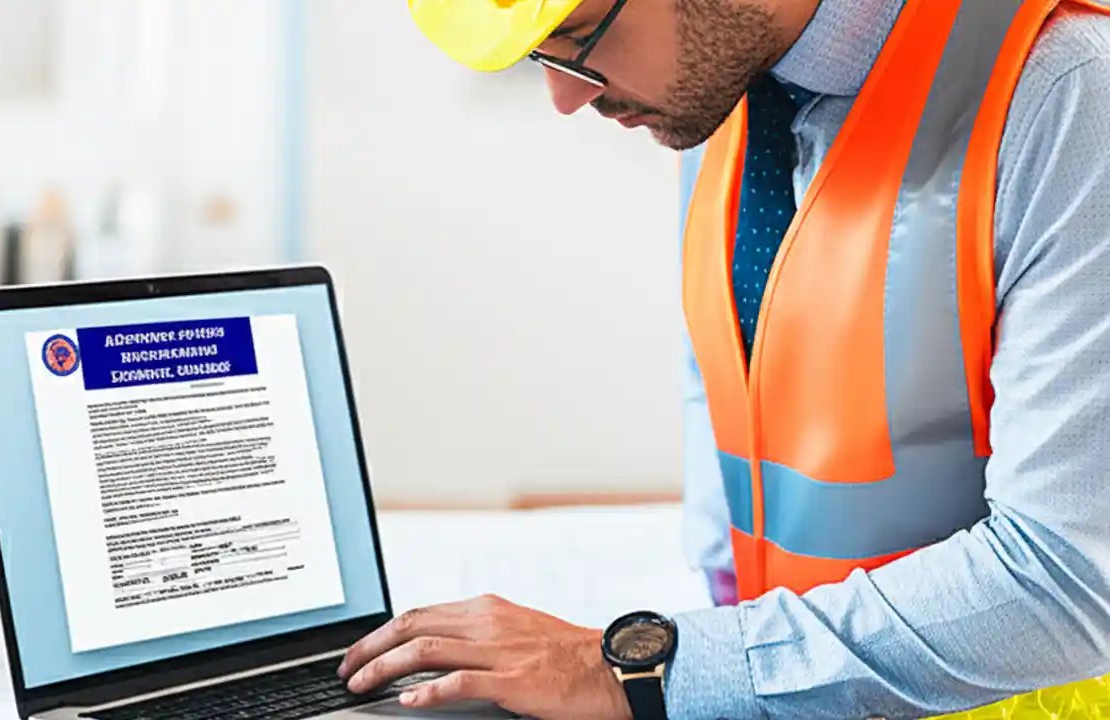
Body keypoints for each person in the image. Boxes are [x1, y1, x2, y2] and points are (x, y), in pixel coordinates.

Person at [336, 0, 1110, 718]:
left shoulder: (1068, 90)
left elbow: (1072, 575)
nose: (564, 99)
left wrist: (633, 671)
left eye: (577, 37)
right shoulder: (727, 96)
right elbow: (727, 395)